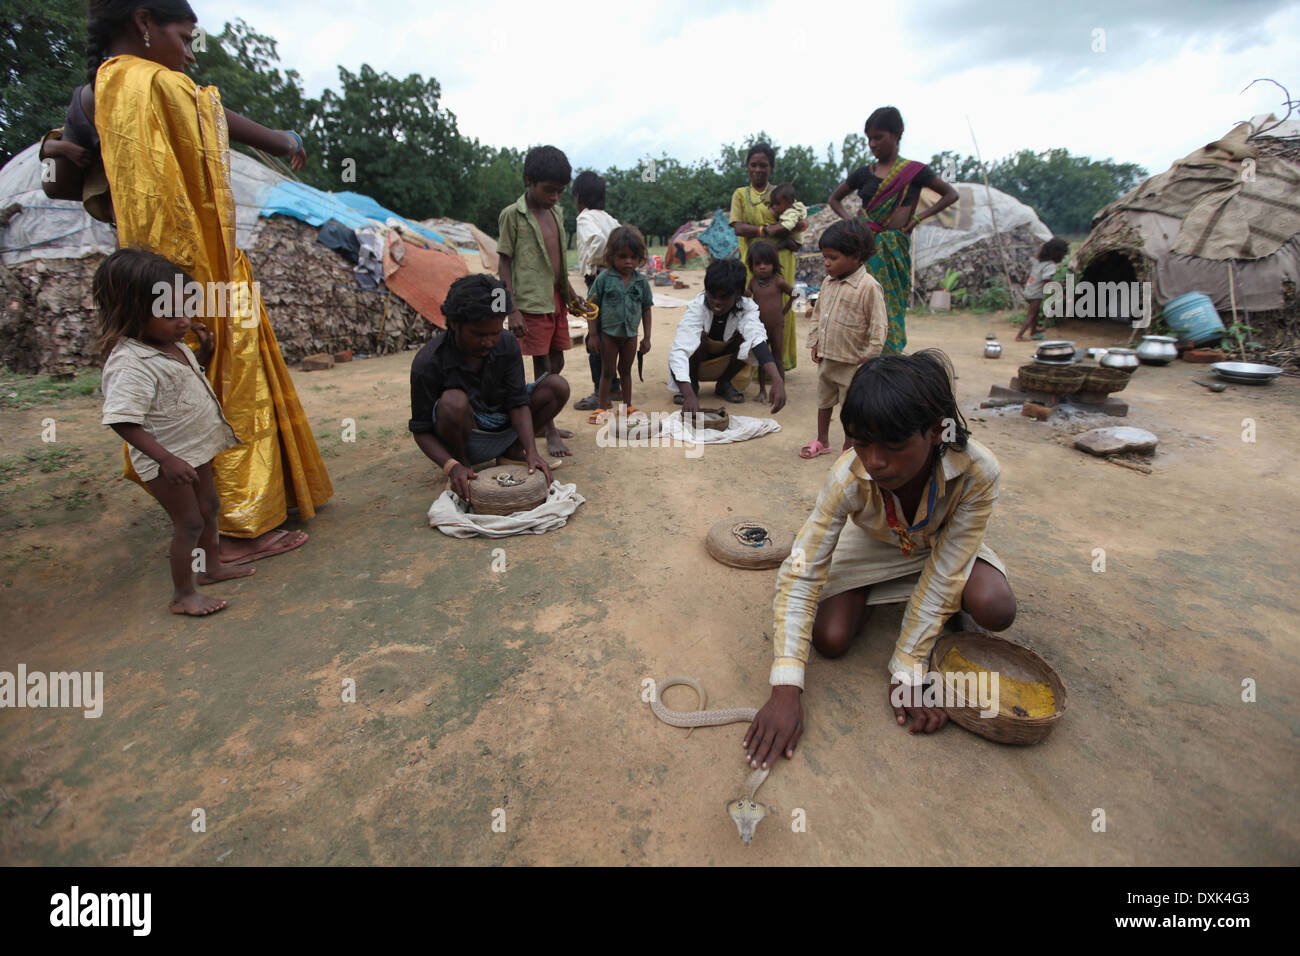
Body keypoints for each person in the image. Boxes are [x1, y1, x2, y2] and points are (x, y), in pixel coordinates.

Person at [75, 0, 330, 566]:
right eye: (185, 37)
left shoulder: (95, 93)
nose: (190, 53)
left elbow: (66, 181)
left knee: (195, 392)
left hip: (152, 278)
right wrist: (282, 139)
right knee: (220, 388)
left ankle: (227, 519)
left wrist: (61, 151)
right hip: (193, 277)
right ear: (143, 22)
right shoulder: (156, 86)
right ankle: (235, 532)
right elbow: (213, 116)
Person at [743, 351, 1017, 769]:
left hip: (942, 547)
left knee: (995, 606)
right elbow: (800, 574)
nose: (875, 461)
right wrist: (785, 688)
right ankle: (878, 594)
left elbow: (948, 571)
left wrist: (907, 668)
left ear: (936, 432)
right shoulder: (847, 476)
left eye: (894, 445)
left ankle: (931, 616)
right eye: (862, 442)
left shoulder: (979, 472)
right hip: (873, 543)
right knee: (830, 639)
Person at [95, 248, 256, 616]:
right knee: (189, 522)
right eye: (171, 314)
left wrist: (203, 355)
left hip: (193, 449)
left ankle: (210, 567)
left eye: (187, 308)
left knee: (210, 506)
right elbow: (122, 419)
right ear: (132, 311)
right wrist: (165, 459)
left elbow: (176, 386)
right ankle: (183, 594)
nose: (184, 320)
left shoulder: (171, 343)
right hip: (168, 458)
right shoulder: (130, 363)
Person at [409, 275, 565, 504]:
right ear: (454, 324)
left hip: (502, 427)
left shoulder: (507, 343)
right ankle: (464, 467)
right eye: (479, 335)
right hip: (465, 435)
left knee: (556, 386)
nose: (489, 342)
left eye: (495, 332)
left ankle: (512, 453)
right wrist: (450, 466)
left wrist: (532, 451)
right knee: (453, 401)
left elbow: (517, 402)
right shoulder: (428, 362)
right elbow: (421, 430)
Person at [827, 107, 960, 354]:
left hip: (893, 248)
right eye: (869, 138)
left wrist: (918, 219)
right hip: (864, 249)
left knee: (891, 306)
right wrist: (852, 224)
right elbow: (834, 199)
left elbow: (951, 194)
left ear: (897, 135)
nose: (872, 144)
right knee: (861, 303)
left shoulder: (915, 172)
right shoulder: (862, 174)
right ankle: (860, 361)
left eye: (879, 137)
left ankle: (888, 360)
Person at [497, 145, 582, 458]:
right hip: (530, 304)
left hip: (555, 299)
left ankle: (546, 421)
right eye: (549, 190)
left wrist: (571, 294)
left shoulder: (555, 213)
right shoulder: (512, 216)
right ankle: (549, 430)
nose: (555, 197)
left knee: (557, 361)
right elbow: (504, 264)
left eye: (560, 191)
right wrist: (512, 309)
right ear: (529, 181)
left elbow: (558, 260)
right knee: (543, 365)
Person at [802, 220, 887, 459]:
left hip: (853, 362)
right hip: (828, 358)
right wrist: (815, 341)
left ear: (856, 256)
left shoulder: (868, 287)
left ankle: (849, 449)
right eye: (825, 257)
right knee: (824, 400)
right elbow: (819, 314)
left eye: (833, 257)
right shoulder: (828, 283)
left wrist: (870, 354)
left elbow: (878, 324)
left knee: (851, 408)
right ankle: (822, 440)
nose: (827, 263)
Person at [669, 259, 786, 415]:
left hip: (725, 362)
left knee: (748, 340)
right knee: (693, 340)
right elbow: (680, 351)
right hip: (697, 362)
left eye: (724, 297)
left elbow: (757, 339)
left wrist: (777, 380)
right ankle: (692, 385)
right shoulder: (697, 307)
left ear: (738, 295)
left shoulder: (747, 307)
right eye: (712, 295)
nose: (717, 302)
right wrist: (689, 395)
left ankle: (724, 383)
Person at [729, 143, 804, 377]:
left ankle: (778, 364)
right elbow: (739, 227)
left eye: (764, 165)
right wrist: (767, 231)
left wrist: (784, 236)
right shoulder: (741, 195)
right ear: (747, 167)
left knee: (779, 308)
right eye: (754, 164)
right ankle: (751, 364)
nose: (758, 169)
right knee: (751, 307)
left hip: (781, 260)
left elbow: (796, 224)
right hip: (752, 261)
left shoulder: (781, 193)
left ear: (771, 167)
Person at [584, 226, 652, 424]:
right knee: (607, 371)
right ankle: (602, 407)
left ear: (640, 257)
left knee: (626, 372)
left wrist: (647, 337)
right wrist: (594, 335)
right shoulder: (604, 279)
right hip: (609, 335)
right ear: (611, 256)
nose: (628, 261)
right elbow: (591, 306)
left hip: (630, 335)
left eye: (633, 257)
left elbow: (647, 309)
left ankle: (627, 407)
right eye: (622, 256)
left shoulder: (641, 283)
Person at [572, 171, 622, 410]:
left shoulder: (584, 218)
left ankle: (599, 391)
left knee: (595, 339)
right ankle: (614, 385)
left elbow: (599, 242)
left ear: (578, 198)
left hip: (598, 280)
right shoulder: (611, 219)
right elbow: (624, 239)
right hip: (617, 282)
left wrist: (602, 261)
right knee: (610, 335)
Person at [744, 241, 793, 404]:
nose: (762, 267)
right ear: (751, 266)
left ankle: (781, 390)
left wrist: (785, 311)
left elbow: (795, 293)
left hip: (777, 326)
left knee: (777, 356)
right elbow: (747, 296)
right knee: (762, 359)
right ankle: (762, 391)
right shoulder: (753, 282)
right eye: (757, 264)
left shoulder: (778, 281)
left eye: (767, 263)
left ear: (774, 263)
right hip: (760, 328)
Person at [1015, 238, 1069, 341]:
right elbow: (1047, 281)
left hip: (1029, 291)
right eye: (1063, 255)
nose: (1063, 258)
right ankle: (1019, 336)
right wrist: (1059, 286)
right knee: (1031, 315)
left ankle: (1033, 331)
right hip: (1035, 294)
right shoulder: (1051, 266)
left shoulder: (1041, 262)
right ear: (1057, 254)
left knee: (1034, 314)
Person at [766, 183, 807, 251]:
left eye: (778, 204)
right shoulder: (787, 208)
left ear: (789, 203)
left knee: (785, 242)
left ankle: (774, 249)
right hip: (792, 239)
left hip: (795, 242)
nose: (774, 207)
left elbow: (788, 225)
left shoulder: (792, 213)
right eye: (772, 204)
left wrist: (772, 229)